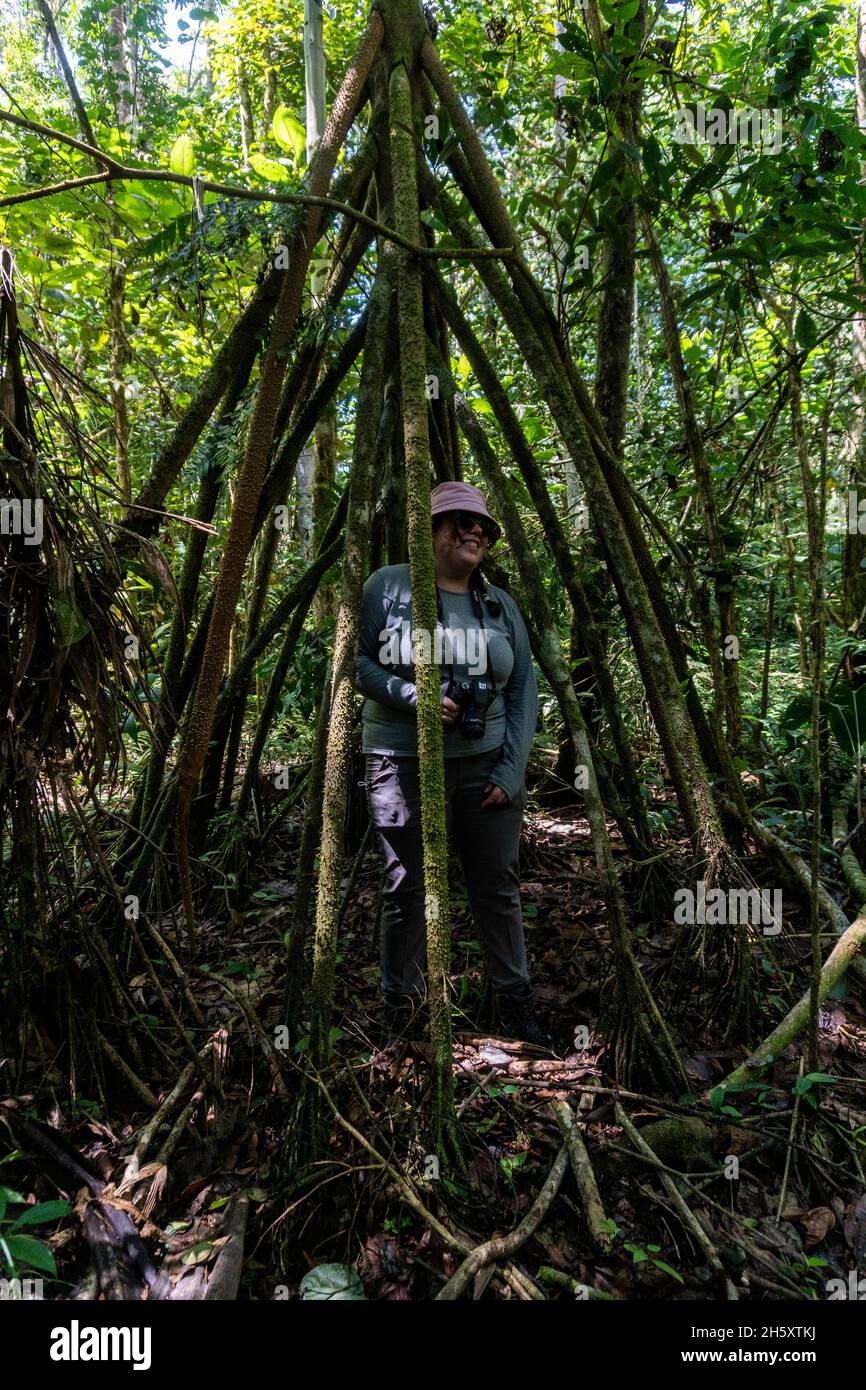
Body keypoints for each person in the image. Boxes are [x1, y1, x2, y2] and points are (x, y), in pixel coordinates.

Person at [355, 480, 551, 1048]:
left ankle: (514, 1003)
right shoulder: (386, 587)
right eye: (459, 521)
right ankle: (402, 1008)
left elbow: (521, 692)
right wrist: (412, 693)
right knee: (404, 884)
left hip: (484, 767)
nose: (473, 532)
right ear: (431, 530)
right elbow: (357, 664)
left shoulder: (498, 604)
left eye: (483, 527)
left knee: (497, 885)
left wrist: (512, 770)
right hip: (400, 761)